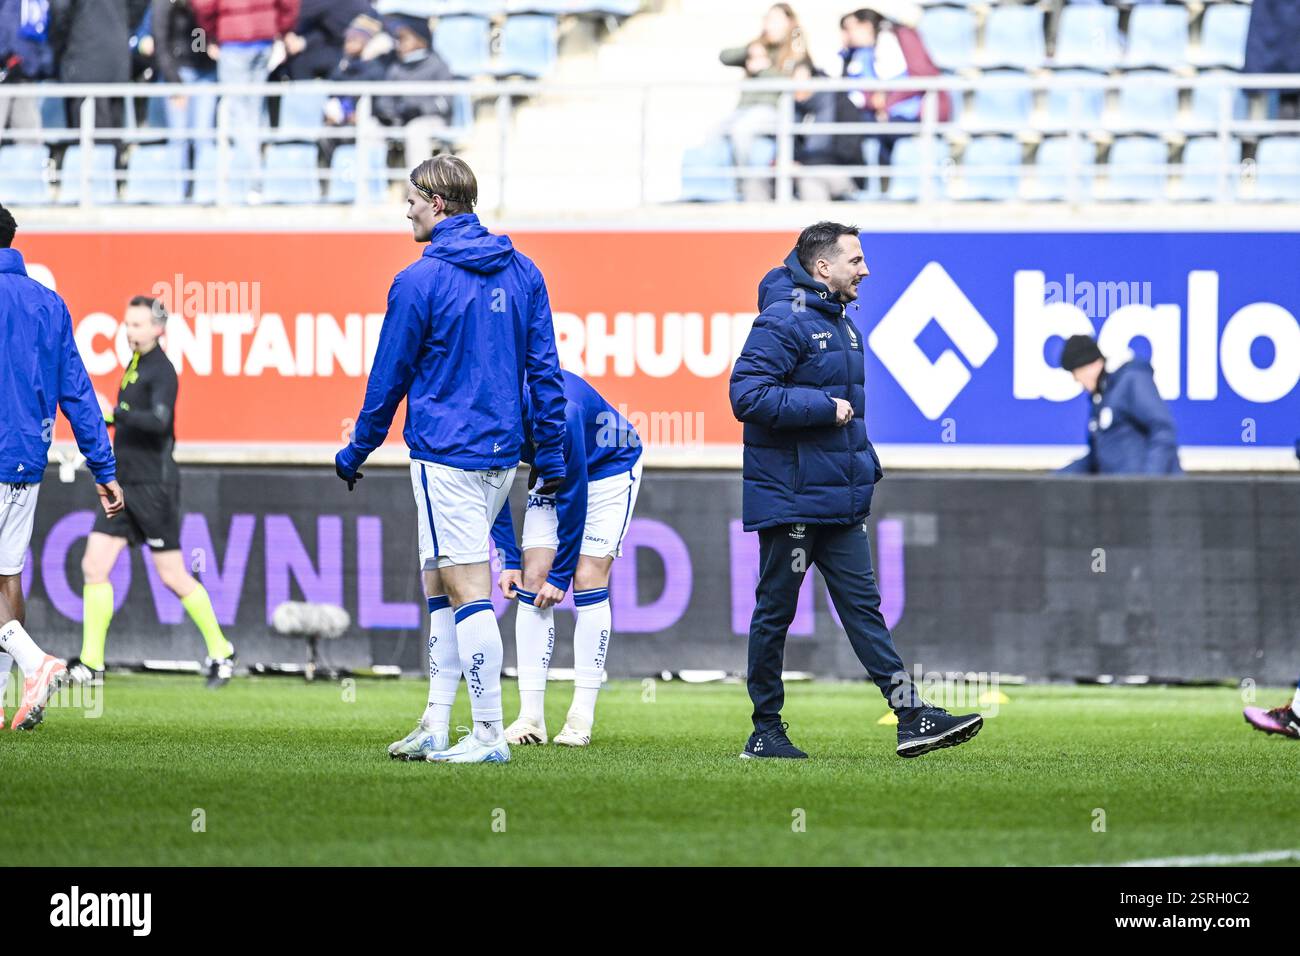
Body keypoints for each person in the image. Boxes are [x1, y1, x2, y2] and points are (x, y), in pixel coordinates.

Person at [337, 155, 567, 765]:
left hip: (445, 455)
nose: (405, 209)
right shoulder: (524, 271)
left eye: (411, 199)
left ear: (436, 202)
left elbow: (388, 376)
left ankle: (489, 733)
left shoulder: (418, 280)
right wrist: (550, 453)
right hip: (501, 455)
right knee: (441, 584)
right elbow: (545, 372)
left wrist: (357, 447)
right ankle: (437, 723)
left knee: (465, 590)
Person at [729, 221, 983, 759]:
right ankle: (765, 730)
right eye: (855, 260)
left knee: (864, 609)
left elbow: (845, 418)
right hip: (794, 499)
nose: (865, 270)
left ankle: (911, 716)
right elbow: (747, 396)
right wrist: (824, 407)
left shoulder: (840, 323)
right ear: (823, 267)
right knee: (776, 611)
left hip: (837, 499)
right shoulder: (783, 320)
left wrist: (864, 465)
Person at [66, 296, 236, 690]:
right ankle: (92, 664)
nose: (130, 331)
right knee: (94, 564)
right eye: (127, 324)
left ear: (158, 328)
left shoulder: (162, 369)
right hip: (123, 485)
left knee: (173, 576)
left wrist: (114, 414)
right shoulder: (136, 365)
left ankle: (222, 651)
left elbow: (159, 422)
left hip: (153, 488)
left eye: (138, 325)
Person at [0, 204, 124, 731]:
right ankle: (15, 691)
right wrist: (104, 467)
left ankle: (36, 663)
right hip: (27, 461)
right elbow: (77, 391)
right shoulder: (49, 304)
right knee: (8, 578)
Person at [489, 370, 642, 749]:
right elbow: (493, 486)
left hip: (609, 465)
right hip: (551, 467)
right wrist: (509, 556)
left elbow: (574, 497)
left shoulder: (562, 411)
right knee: (532, 578)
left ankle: (580, 718)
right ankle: (530, 719)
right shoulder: (486, 409)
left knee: (588, 576)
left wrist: (562, 576)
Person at [192, 0, 301, 195]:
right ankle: (258, 174)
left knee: (240, 114)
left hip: (234, 42)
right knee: (256, 111)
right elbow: (289, 4)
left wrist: (211, 32)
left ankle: (253, 181)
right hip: (264, 40)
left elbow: (203, 5)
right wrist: (282, 29)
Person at [840, 8, 949, 192]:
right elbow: (859, 89)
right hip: (884, 116)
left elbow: (922, 77)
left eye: (850, 29)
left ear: (866, 26)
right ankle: (870, 189)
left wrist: (887, 102)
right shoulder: (861, 53)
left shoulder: (900, 37)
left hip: (913, 113)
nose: (847, 36)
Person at [1056, 334, 1181, 475]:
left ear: (1091, 365)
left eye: (1076, 372)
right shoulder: (1102, 398)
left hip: (1152, 493)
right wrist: (1050, 482)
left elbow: (1163, 429)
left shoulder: (1131, 381)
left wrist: (1148, 484)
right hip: (1123, 493)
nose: (1077, 380)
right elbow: (1096, 459)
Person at [718, 4, 807, 201]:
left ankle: (744, 186)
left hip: (773, 111)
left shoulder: (796, 50)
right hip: (744, 109)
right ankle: (716, 191)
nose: (770, 25)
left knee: (742, 130)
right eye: (768, 19)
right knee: (714, 133)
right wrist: (750, 50)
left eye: (775, 20)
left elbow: (793, 85)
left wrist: (765, 67)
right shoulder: (758, 46)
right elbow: (724, 57)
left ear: (789, 22)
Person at [373, 14, 453, 171]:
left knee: (416, 130)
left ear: (421, 41)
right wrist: (392, 113)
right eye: (398, 40)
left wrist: (420, 109)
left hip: (432, 120)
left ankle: (418, 189)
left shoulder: (438, 65)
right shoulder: (396, 68)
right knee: (370, 129)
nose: (399, 45)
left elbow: (445, 102)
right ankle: (372, 188)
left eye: (405, 39)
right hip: (401, 120)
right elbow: (385, 100)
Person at [50, 0, 132, 135]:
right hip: (116, 60)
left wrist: (62, 44)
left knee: (90, 143)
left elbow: (60, 13)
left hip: (82, 61)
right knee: (112, 138)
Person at [790, 58, 862, 201]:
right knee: (757, 180)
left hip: (842, 172)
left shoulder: (841, 105)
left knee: (810, 181)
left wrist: (805, 165)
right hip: (801, 169)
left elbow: (847, 151)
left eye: (802, 80)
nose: (797, 86)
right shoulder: (792, 109)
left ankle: (819, 223)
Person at [0, 0, 55, 138]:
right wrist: (6, 55)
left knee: (29, 139)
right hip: (9, 68)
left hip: (26, 72)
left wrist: (42, 64)